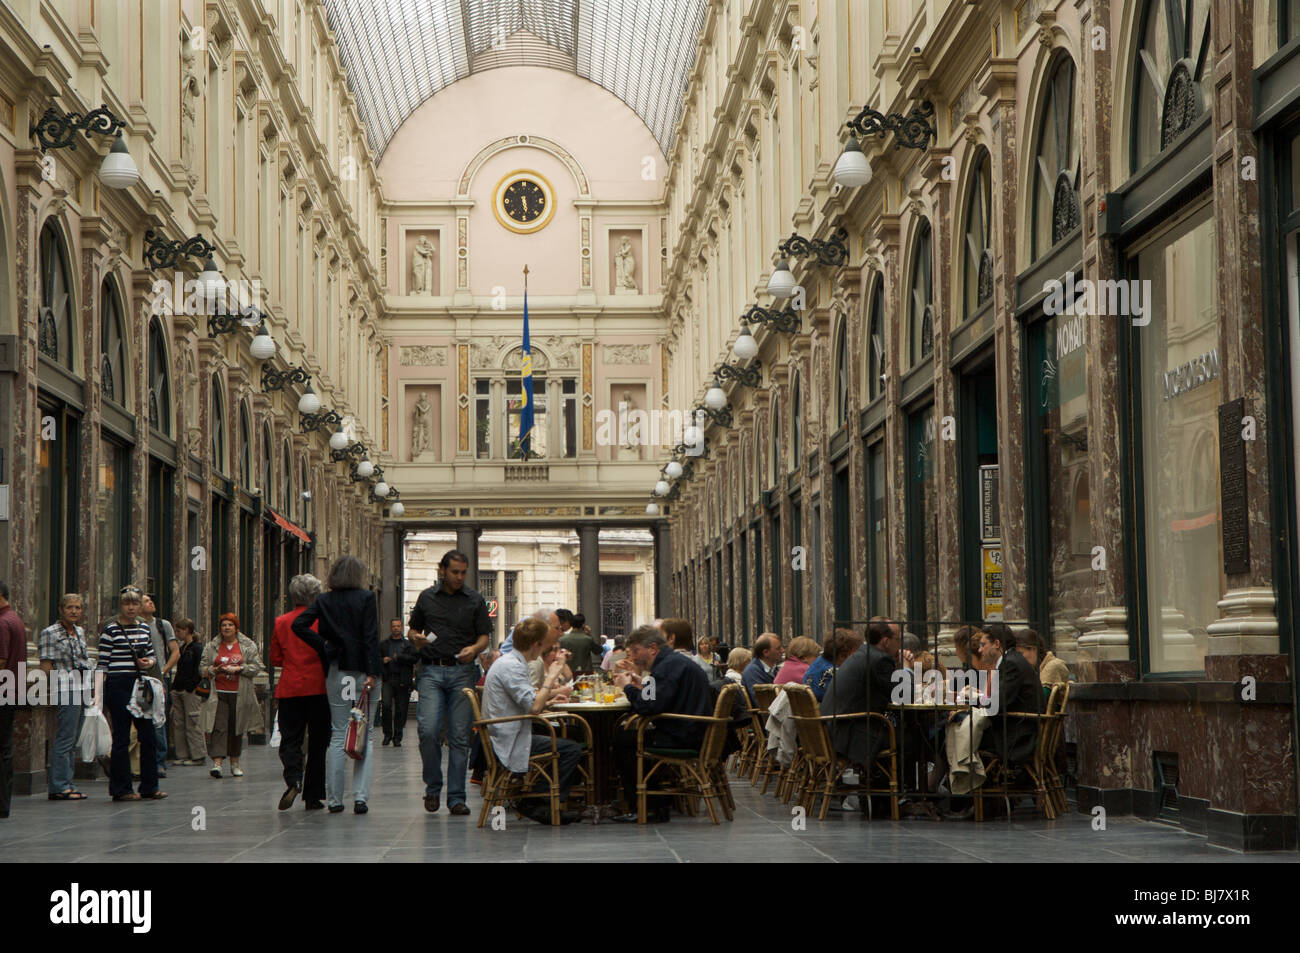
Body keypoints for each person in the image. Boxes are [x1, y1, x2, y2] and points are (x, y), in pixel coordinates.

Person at [292, 557, 383, 814]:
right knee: (366, 733)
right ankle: (361, 797)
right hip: (363, 673)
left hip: (338, 672)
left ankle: (334, 799)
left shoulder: (324, 600)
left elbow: (299, 625)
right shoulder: (366, 598)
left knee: (339, 731)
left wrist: (323, 644)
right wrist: (372, 672)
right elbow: (370, 636)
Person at [407, 550, 491, 816]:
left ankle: (456, 797)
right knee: (428, 730)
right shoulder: (426, 598)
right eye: (454, 572)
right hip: (431, 670)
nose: (459, 577)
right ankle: (433, 788)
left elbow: (484, 637)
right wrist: (415, 638)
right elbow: (412, 629)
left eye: (463, 572)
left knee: (459, 736)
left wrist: (474, 649)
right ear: (442, 570)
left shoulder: (475, 599)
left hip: (462, 671)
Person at [482, 617, 582, 825]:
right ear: (536, 644)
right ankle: (538, 802)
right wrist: (551, 677)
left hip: (508, 729)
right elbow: (534, 707)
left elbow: (528, 702)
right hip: (509, 736)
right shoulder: (513, 666)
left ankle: (549, 799)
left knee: (573, 736)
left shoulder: (512, 662)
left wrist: (551, 698)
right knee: (571, 748)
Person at [611, 624, 714, 823]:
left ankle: (646, 807)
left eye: (635, 651)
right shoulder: (671, 662)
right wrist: (642, 685)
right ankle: (656, 803)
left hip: (683, 735)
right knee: (630, 737)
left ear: (652, 648)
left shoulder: (667, 666)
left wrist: (627, 688)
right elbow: (660, 695)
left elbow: (647, 707)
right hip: (691, 730)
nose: (632, 657)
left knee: (624, 741)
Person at [97, 586, 165, 802]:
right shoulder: (111, 631)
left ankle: (149, 785)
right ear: (121, 606)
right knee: (122, 738)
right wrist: (99, 695)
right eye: (127, 604)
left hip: (140, 684)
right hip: (118, 685)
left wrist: (149, 662)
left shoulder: (144, 629)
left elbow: (152, 656)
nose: (131, 607)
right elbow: (103, 663)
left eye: (135, 603)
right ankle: (121, 788)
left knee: (148, 736)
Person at [273, 574, 330, 811]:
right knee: (318, 741)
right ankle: (313, 795)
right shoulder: (322, 620)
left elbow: (275, 657)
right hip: (319, 687)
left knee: (290, 738)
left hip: (290, 687)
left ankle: (294, 778)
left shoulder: (281, 621)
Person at [821, 621, 896, 778]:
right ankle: (900, 795)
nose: (899, 644)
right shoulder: (881, 659)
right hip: (850, 735)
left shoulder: (861, 654)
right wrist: (908, 668)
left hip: (832, 730)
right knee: (909, 740)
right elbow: (900, 695)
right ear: (886, 641)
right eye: (898, 639)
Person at [38, 593, 91, 800]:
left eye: (78, 607)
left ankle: (68, 783)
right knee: (65, 738)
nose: (74, 611)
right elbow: (46, 665)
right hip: (66, 687)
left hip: (83, 685)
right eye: (70, 607)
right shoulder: (49, 633)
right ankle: (59, 785)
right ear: (61, 609)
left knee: (74, 738)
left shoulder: (80, 632)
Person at [201, 613, 263, 779]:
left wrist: (240, 669)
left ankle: (235, 762)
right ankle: (217, 764)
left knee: (236, 727)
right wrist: (215, 670)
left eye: (230, 625)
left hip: (240, 693)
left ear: (236, 628)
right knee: (219, 726)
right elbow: (203, 667)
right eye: (223, 625)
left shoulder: (247, 645)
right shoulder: (212, 646)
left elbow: (257, 666)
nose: (226, 628)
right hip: (218, 693)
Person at [977, 624, 1044, 766]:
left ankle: (966, 783)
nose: (979, 649)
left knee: (952, 735)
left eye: (983, 644)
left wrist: (974, 702)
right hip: (1017, 729)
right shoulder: (1011, 660)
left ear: (996, 644)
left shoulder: (1011, 664)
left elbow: (996, 705)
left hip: (1018, 739)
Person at [140, 594, 178, 775]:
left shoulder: (163, 625)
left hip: (158, 678)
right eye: (146, 601)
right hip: (137, 678)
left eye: (151, 600)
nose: (151, 602)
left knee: (158, 720)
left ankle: (159, 761)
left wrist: (163, 672)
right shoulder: (136, 626)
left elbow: (175, 652)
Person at [0, 581, 25, 818]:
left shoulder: (2, 622)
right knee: (5, 748)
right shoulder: (15, 619)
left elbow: (1, 660)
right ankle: (3, 803)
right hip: (12, 690)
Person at [168, 619, 207, 766]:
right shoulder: (183, 648)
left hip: (190, 690)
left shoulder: (196, 648)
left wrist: (192, 686)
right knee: (179, 723)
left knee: (193, 722)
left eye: (179, 631)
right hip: (179, 688)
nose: (177, 634)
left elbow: (200, 669)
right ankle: (182, 754)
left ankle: (198, 755)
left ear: (187, 631)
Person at [380, 618, 418, 745]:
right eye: (394, 626)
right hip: (388, 679)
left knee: (401, 709)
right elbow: (376, 659)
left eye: (398, 626)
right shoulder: (384, 644)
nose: (396, 628)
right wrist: (382, 661)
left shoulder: (407, 645)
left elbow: (414, 659)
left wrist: (400, 657)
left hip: (402, 680)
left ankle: (397, 736)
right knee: (385, 706)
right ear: (391, 628)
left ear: (401, 628)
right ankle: (387, 734)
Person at [803, 628, 863, 702]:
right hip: (830, 712)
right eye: (855, 654)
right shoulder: (834, 673)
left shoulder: (818, 662)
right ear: (842, 656)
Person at [741, 633, 783, 703]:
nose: (782, 650)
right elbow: (762, 702)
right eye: (778, 648)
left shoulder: (774, 669)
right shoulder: (752, 672)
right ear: (766, 652)